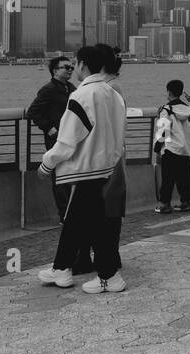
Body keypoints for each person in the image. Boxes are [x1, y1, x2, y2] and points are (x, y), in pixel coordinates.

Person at [37, 44, 128, 294]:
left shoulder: (82, 95)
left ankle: (104, 275)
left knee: (85, 222)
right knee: (81, 220)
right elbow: (120, 135)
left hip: (85, 168)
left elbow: (68, 138)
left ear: (84, 64)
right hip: (105, 167)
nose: (74, 68)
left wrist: (48, 163)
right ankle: (64, 269)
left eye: (75, 63)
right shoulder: (112, 94)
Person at [27, 56, 77, 224]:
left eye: (71, 67)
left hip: (72, 139)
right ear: (55, 70)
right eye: (66, 67)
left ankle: (72, 211)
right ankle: (64, 215)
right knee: (60, 177)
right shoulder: (48, 89)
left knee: (72, 174)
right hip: (56, 140)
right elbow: (33, 111)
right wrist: (49, 128)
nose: (70, 70)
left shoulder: (71, 88)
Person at [153, 79, 190, 214]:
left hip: (171, 147)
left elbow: (163, 131)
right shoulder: (187, 109)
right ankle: (186, 202)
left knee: (168, 178)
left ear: (169, 92)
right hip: (185, 148)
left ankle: (164, 204)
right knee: (184, 177)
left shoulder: (166, 109)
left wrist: (157, 147)